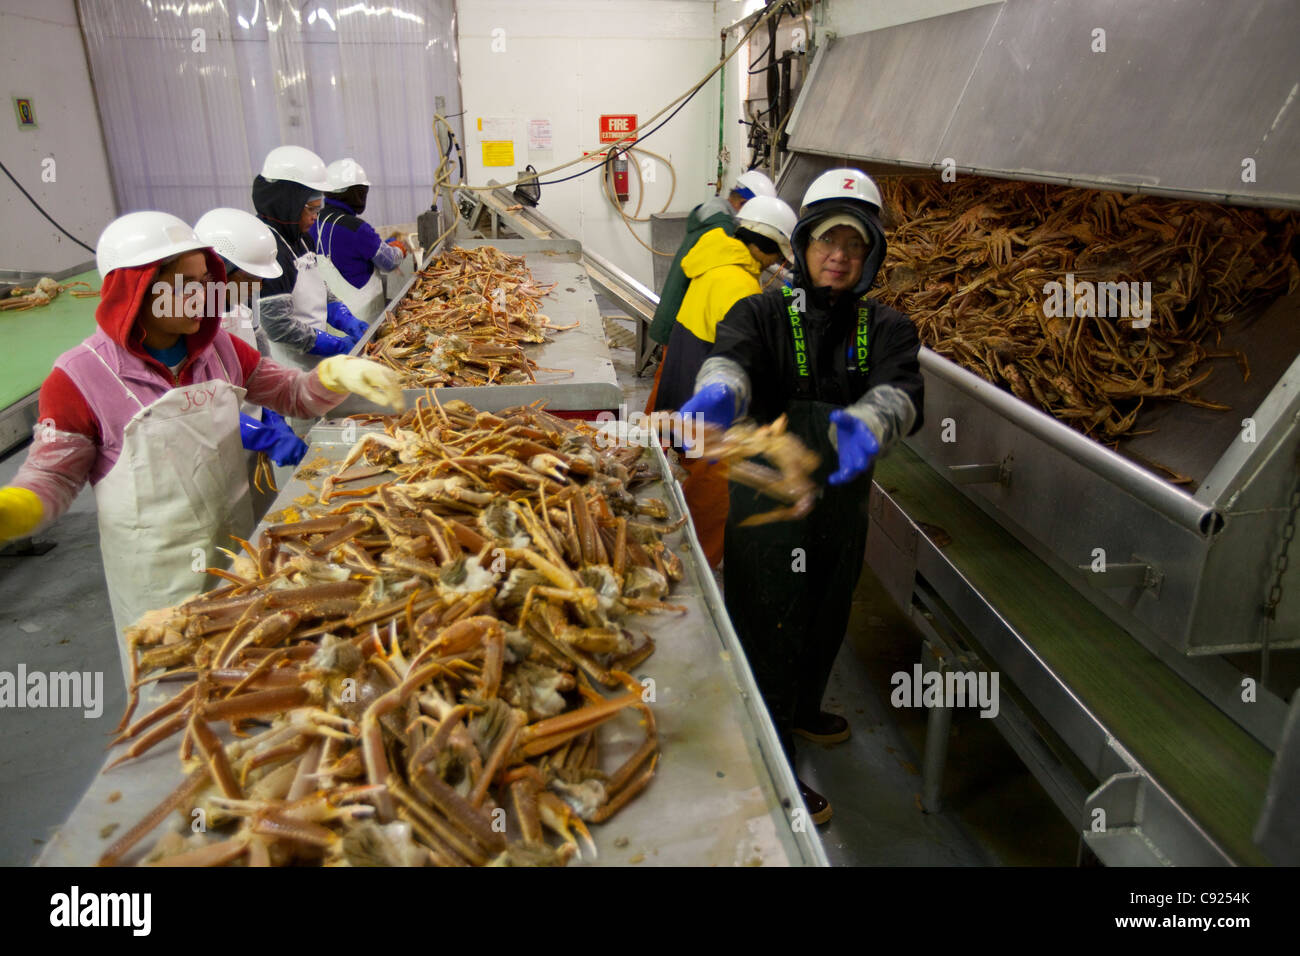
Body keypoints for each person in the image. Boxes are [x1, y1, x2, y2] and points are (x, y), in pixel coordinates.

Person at [0, 211, 405, 683]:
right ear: (135, 289)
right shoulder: (80, 377)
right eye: (186, 284)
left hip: (239, 555)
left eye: (206, 280)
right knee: (180, 694)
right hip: (159, 585)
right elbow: (54, 475)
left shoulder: (223, 351)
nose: (206, 295)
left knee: (250, 677)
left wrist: (336, 375)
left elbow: (295, 395)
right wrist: (21, 506)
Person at [680, 169, 924, 824]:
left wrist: (871, 423)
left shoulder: (888, 326)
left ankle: (806, 706)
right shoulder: (760, 310)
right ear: (804, 245)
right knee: (768, 617)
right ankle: (773, 759)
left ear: (871, 253)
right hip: (769, 501)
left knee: (828, 603)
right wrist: (724, 390)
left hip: (842, 497)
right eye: (825, 241)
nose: (837, 255)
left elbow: (903, 390)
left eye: (853, 243)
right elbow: (731, 354)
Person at [653, 195, 797, 567]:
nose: (776, 264)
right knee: (714, 493)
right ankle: (690, 567)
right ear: (765, 245)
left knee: (695, 477)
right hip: (709, 405)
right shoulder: (741, 286)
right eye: (777, 254)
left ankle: (677, 545)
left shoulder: (714, 260)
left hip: (681, 381)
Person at [195, 207, 310, 504]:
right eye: (250, 277)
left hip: (248, 450)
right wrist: (262, 435)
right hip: (202, 469)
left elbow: (257, 363)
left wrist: (268, 411)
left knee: (259, 528)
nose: (258, 287)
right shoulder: (179, 327)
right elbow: (190, 410)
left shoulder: (241, 308)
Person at [642, 169, 777, 412]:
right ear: (743, 204)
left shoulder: (710, 216)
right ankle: (646, 441)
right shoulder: (723, 230)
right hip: (686, 317)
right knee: (667, 388)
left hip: (679, 312)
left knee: (667, 383)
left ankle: (651, 437)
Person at [253, 146, 369, 371]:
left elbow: (317, 287)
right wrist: (334, 343)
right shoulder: (267, 250)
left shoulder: (301, 238)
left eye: (319, 209)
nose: (315, 217)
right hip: (288, 368)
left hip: (314, 362)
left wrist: (344, 317)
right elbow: (279, 325)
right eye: (311, 210)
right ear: (288, 203)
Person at [311, 158, 409, 324]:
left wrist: (384, 244)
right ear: (354, 192)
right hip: (361, 320)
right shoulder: (356, 228)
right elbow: (389, 261)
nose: (364, 197)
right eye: (363, 191)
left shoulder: (313, 221)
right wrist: (399, 248)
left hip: (330, 318)